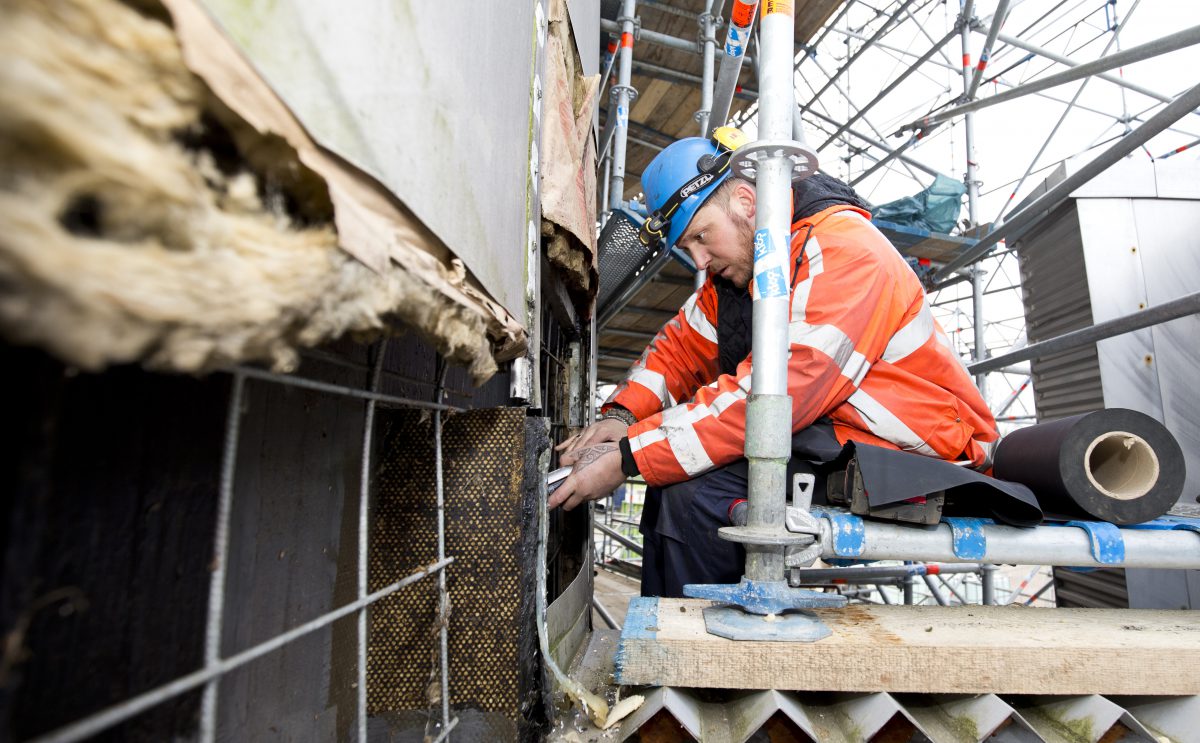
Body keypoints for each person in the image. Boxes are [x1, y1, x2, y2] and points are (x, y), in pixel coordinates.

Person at [549, 127, 998, 597]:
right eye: (687, 248)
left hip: (922, 452)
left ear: (746, 201)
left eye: (702, 235)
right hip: (838, 439)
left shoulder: (848, 250)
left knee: (695, 496)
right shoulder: (747, 274)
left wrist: (629, 455)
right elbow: (679, 351)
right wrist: (621, 416)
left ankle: (704, 658)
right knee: (672, 486)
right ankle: (674, 645)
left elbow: (784, 389)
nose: (700, 260)